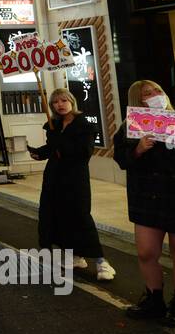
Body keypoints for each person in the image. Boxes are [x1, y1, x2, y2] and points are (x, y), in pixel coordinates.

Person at [113, 80, 175, 326]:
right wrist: (138, 149)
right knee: (146, 252)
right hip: (147, 199)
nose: (153, 95)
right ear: (138, 101)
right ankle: (153, 298)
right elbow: (121, 158)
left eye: (157, 91)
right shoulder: (131, 128)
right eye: (146, 94)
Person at [28, 88, 115, 282]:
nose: (60, 104)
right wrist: (39, 153)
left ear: (72, 102)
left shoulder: (83, 124)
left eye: (64, 100)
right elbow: (52, 149)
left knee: (80, 216)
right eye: (56, 102)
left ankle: (102, 261)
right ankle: (76, 256)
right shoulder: (54, 124)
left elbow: (84, 152)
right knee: (58, 215)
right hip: (54, 177)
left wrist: (60, 144)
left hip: (75, 177)